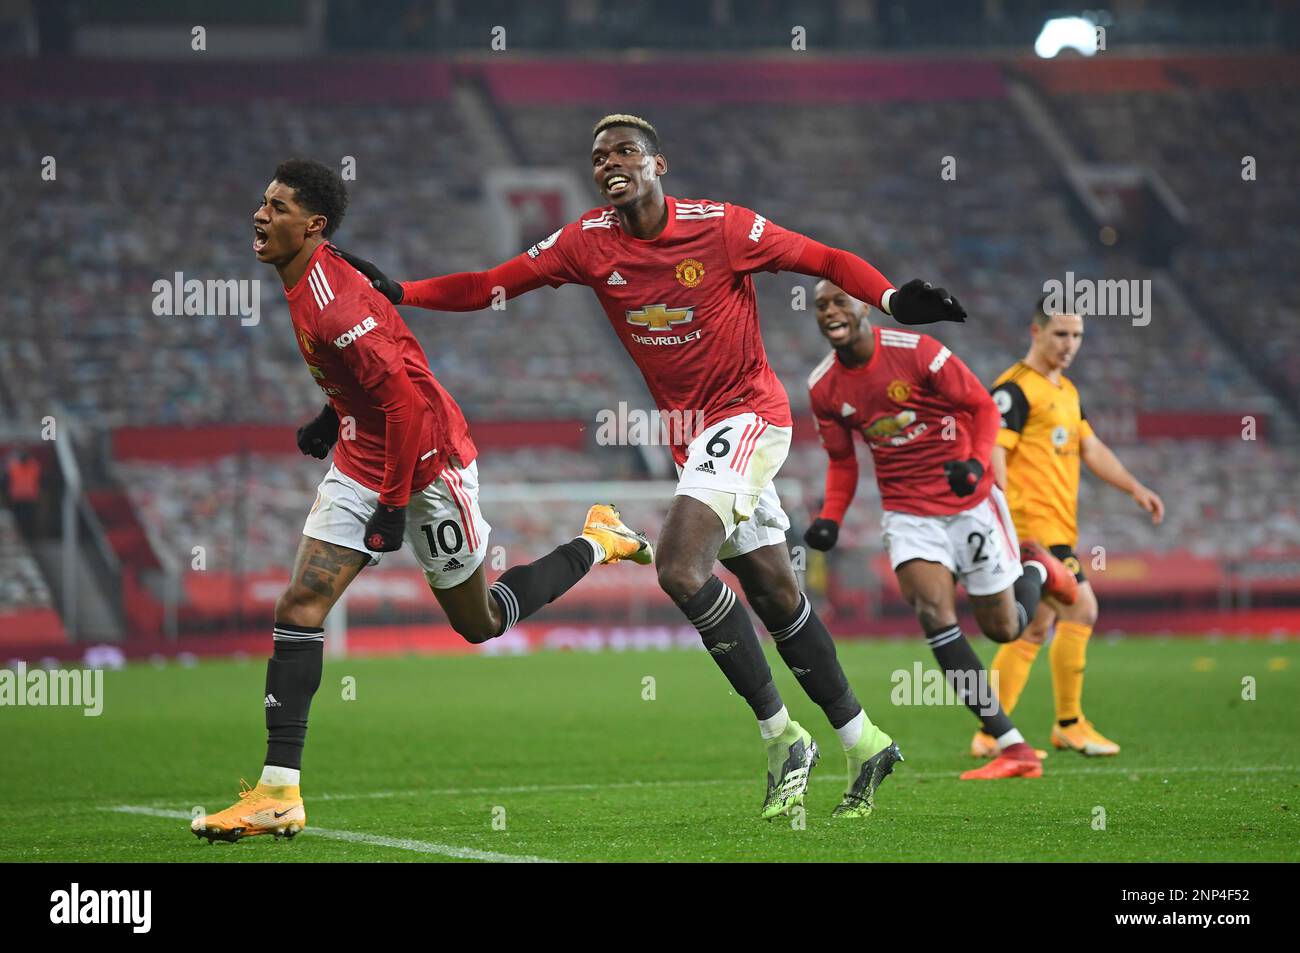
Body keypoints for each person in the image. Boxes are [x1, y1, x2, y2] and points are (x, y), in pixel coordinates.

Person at [337, 114, 966, 818]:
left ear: (658, 165)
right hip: (694, 440)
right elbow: (492, 284)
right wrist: (403, 293)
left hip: (749, 416)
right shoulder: (585, 242)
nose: (612, 162)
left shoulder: (722, 227)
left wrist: (891, 300)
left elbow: (823, 258)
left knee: (678, 567)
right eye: (600, 155)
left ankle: (783, 736)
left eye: (627, 151)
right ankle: (865, 739)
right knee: (774, 593)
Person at [191, 159, 651, 843]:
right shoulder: (312, 272)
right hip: (361, 452)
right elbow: (377, 373)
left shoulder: (332, 303)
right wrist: (333, 414)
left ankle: (599, 538)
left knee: (481, 622)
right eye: (263, 202)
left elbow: (405, 405)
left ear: (313, 227)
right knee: (300, 606)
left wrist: (392, 507)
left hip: (430, 463)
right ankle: (278, 792)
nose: (261, 215)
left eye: (279, 207)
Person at [804, 281, 1079, 780]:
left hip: (969, 503)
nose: (829, 311)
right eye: (821, 305)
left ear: (864, 306)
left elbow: (981, 408)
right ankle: (1011, 745)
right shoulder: (824, 387)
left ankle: (1036, 567)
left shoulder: (919, 352)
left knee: (1005, 628)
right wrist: (830, 518)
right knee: (934, 613)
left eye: (839, 301)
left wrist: (975, 466)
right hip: (909, 515)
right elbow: (842, 462)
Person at [971, 298, 1164, 759]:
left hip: (1057, 529)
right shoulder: (1014, 390)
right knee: (1083, 611)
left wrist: (1134, 487)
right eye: (1061, 334)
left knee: (1035, 629)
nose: (1070, 344)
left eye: (1077, 335)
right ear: (1035, 332)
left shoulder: (1067, 392)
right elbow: (994, 450)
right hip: (1030, 530)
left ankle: (991, 733)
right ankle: (1069, 724)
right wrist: (1004, 521)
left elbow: (1091, 449)